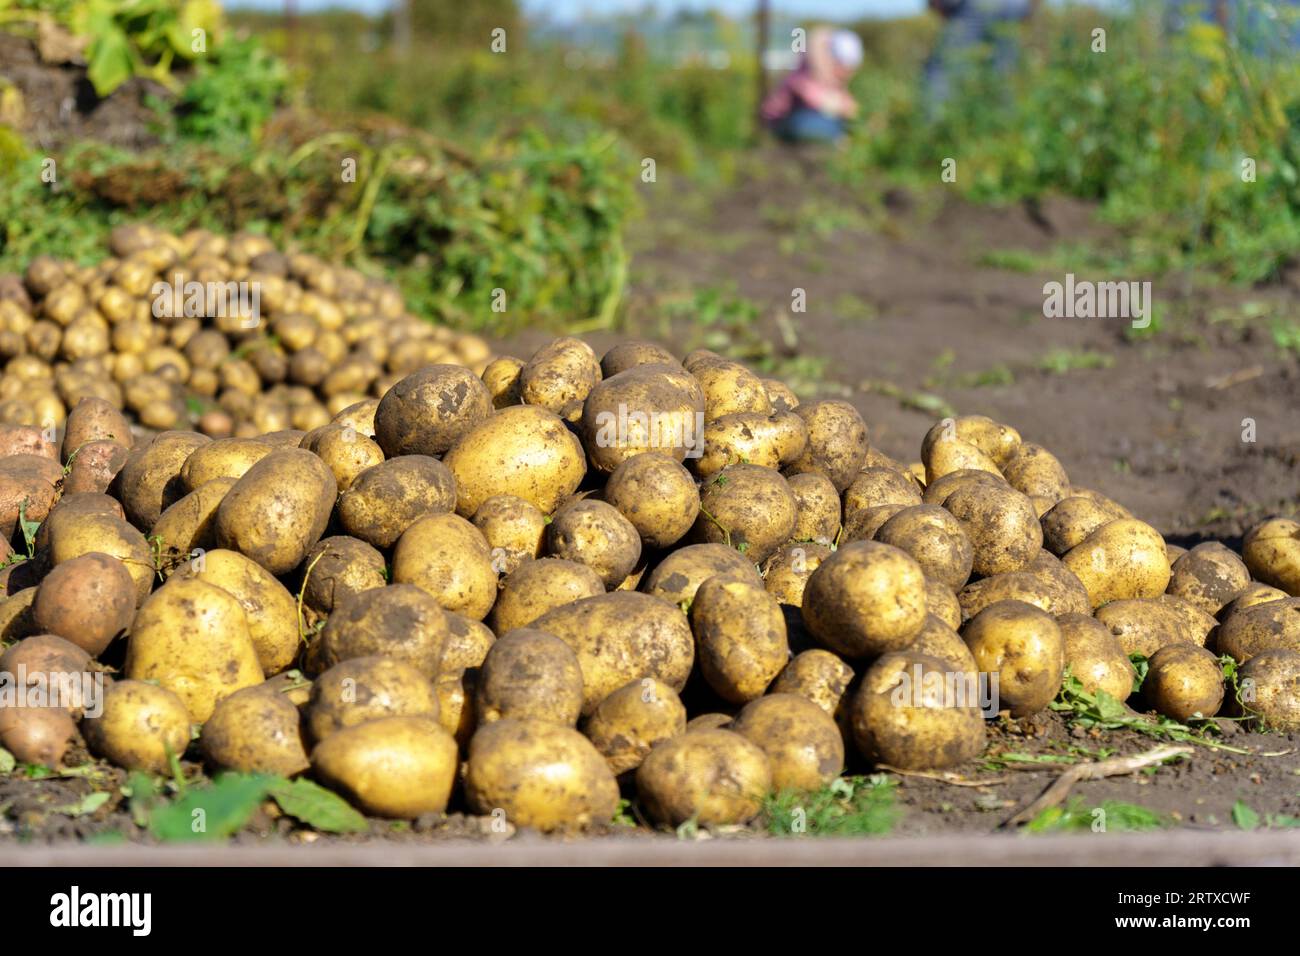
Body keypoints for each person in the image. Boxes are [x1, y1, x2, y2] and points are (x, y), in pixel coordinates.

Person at [922, 0, 1035, 112]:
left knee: (946, 68)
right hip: (1012, 6)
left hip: (969, 7)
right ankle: (1004, 124)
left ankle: (938, 122)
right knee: (1005, 75)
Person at [761, 27, 863, 144]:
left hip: (802, 119)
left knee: (833, 123)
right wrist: (841, 107)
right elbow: (812, 96)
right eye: (845, 67)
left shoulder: (830, 76)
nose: (847, 73)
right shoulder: (806, 70)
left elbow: (845, 101)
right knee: (822, 124)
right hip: (782, 121)